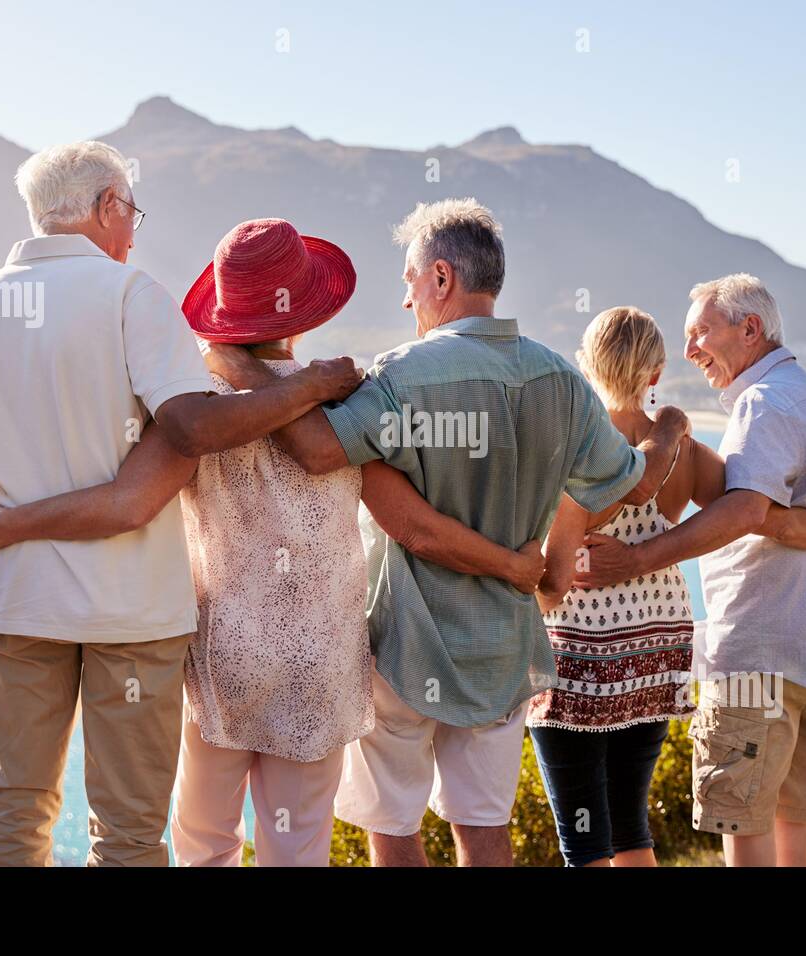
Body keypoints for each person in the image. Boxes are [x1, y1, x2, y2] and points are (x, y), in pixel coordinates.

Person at [0, 218, 546, 866]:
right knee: (296, 850)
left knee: (206, 843)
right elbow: (406, 521)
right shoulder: (352, 402)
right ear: (302, 311)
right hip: (319, 667)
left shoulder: (196, 410)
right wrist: (514, 565)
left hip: (223, 661)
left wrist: (9, 524)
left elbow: (128, 503)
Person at [203, 198, 689, 866]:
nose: (407, 300)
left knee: (393, 827)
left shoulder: (401, 376)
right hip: (504, 646)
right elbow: (630, 484)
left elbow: (317, 451)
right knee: (484, 827)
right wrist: (666, 434)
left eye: (409, 281)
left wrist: (238, 365)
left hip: (408, 644)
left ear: (440, 278)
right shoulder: (563, 380)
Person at [0, 142, 360, 866]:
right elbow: (191, 427)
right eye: (131, 214)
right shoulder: (132, 298)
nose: (133, 235)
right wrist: (308, 385)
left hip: (16, 605)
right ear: (105, 206)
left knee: (11, 825)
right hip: (131, 616)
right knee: (127, 836)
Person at [531, 306, 806, 867]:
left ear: (584, 367)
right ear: (655, 374)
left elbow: (550, 588)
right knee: (632, 826)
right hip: (656, 656)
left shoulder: (574, 454)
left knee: (582, 838)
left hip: (580, 659)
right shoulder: (681, 451)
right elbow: (757, 513)